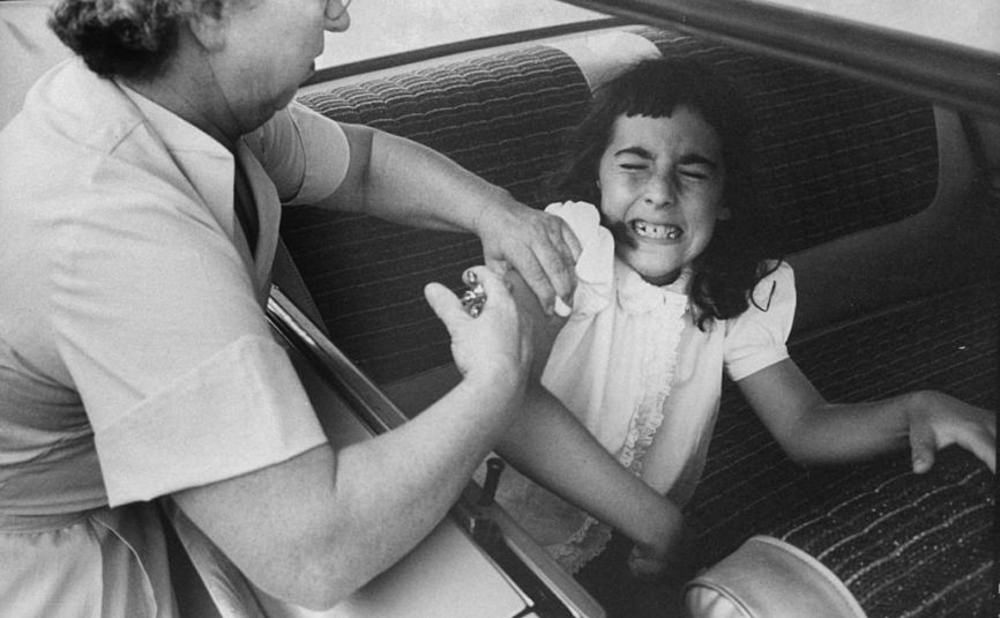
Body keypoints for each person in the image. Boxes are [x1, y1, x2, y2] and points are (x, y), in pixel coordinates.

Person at [0, 0, 584, 615]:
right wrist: (500, 376)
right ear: (206, 16)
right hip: (51, 560)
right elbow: (312, 555)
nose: (340, 18)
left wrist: (496, 211)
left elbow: (363, 166)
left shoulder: (171, 101)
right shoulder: (116, 224)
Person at [486, 57, 997, 614]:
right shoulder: (570, 246)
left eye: (694, 171)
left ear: (726, 197)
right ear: (597, 178)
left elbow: (802, 424)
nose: (660, 192)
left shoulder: (734, 295)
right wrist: (657, 522)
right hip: (496, 525)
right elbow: (504, 395)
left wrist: (913, 411)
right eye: (634, 165)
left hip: (626, 551)